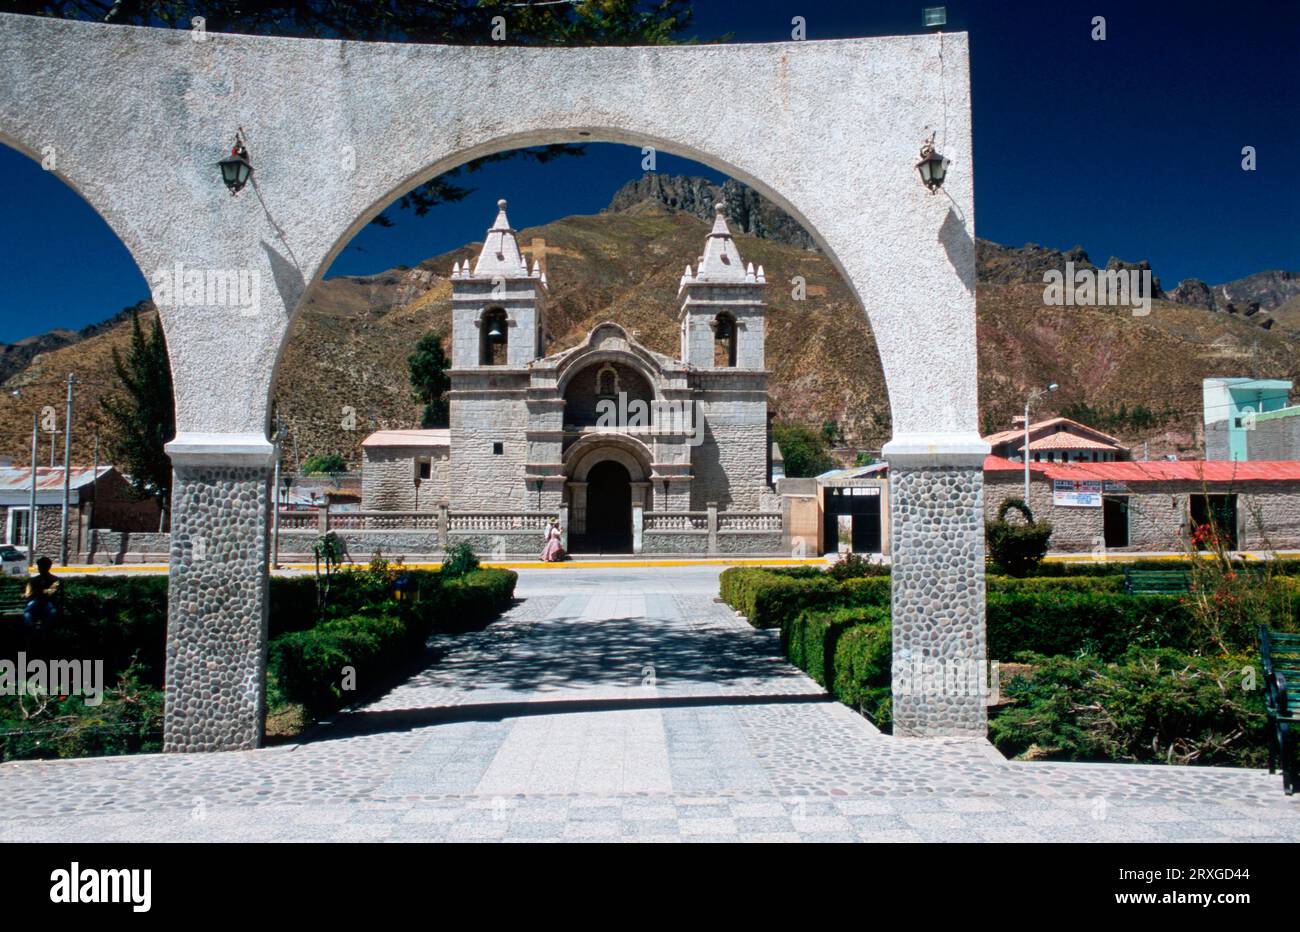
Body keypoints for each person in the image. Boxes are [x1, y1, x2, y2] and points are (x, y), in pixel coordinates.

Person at [23, 556, 60, 627]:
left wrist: (38, 592)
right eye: (39, 566)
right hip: (35, 601)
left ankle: (44, 630)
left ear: (48, 567)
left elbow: (51, 592)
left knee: (52, 612)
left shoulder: (55, 580)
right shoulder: (33, 580)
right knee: (27, 613)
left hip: (48, 602)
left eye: (43, 566)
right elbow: (28, 594)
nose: (40, 568)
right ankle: (32, 630)